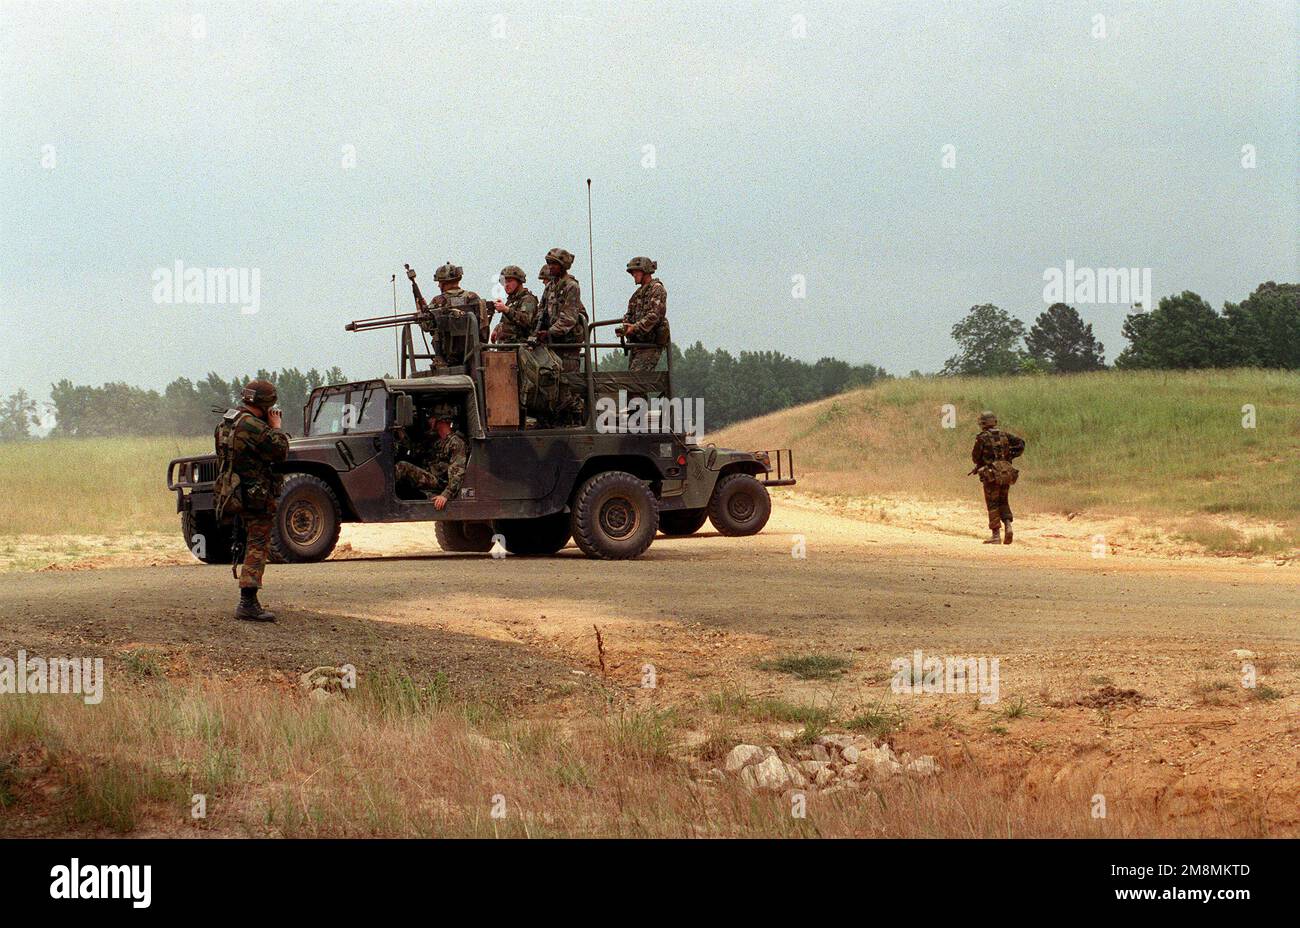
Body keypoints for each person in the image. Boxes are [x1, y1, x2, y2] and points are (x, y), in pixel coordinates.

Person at [214, 379, 290, 621]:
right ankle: (248, 602)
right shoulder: (254, 426)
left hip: (232, 492)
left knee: (248, 541)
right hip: (255, 495)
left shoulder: (227, 423)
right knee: (258, 544)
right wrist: (276, 426)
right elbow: (280, 450)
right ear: (267, 403)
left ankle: (248, 600)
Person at [395, 404, 468, 511]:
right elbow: (415, 450)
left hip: (440, 482)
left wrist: (445, 495)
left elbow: (457, 471)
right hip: (431, 474)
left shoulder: (456, 442)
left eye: (431, 417)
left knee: (402, 466)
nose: (429, 420)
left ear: (440, 420)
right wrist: (400, 431)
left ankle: (378, 494)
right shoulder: (436, 440)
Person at [970, 410, 1025, 544]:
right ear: (994, 422)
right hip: (1006, 473)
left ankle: (996, 535)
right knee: (1003, 501)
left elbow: (975, 457)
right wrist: (1009, 456)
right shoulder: (1004, 435)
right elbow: (1021, 444)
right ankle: (1008, 526)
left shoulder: (982, 437)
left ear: (982, 424)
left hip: (991, 475)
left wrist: (982, 464)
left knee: (993, 504)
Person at [419, 262, 492, 361]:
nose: (439, 286)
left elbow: (427, 327)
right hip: (473, 352)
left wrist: (420, 312)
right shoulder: (473, 297)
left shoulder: (438, 301)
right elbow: (483, 327)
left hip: (448, 355)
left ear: (444, 283)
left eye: (440, 282)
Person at [534, 247, 587, 373]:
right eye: (549, 263)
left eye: (554, 264)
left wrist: (549, 333)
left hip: (567, 348)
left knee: (568, 386)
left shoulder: (571, 286)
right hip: (552, 346)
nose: (550, 267)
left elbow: (568, 319)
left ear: (563, 266)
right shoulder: (550, 287)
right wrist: (537, 330)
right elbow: (541, 311)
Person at [617, 256, 669, 372]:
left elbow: (654, 316)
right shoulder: (637, 295)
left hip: (650, 345)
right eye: (632, 273)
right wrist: (625, 327)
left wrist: (634, 328)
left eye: (636, 272)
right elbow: (629, 314)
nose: (633, 275)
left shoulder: (657, 289)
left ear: (645, 271)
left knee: (636, 384)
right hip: (637, 345)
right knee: (632, 383)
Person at [490, 265, 538, 344]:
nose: (506, 285)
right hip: (507, 347)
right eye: (504, 282)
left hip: (521, 347)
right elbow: (508, 322)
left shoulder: (528, 299)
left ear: (519, 281)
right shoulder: (511, 301)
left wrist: (506, 309)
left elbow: (526, 321)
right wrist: (497, 329)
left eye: (509, 281)